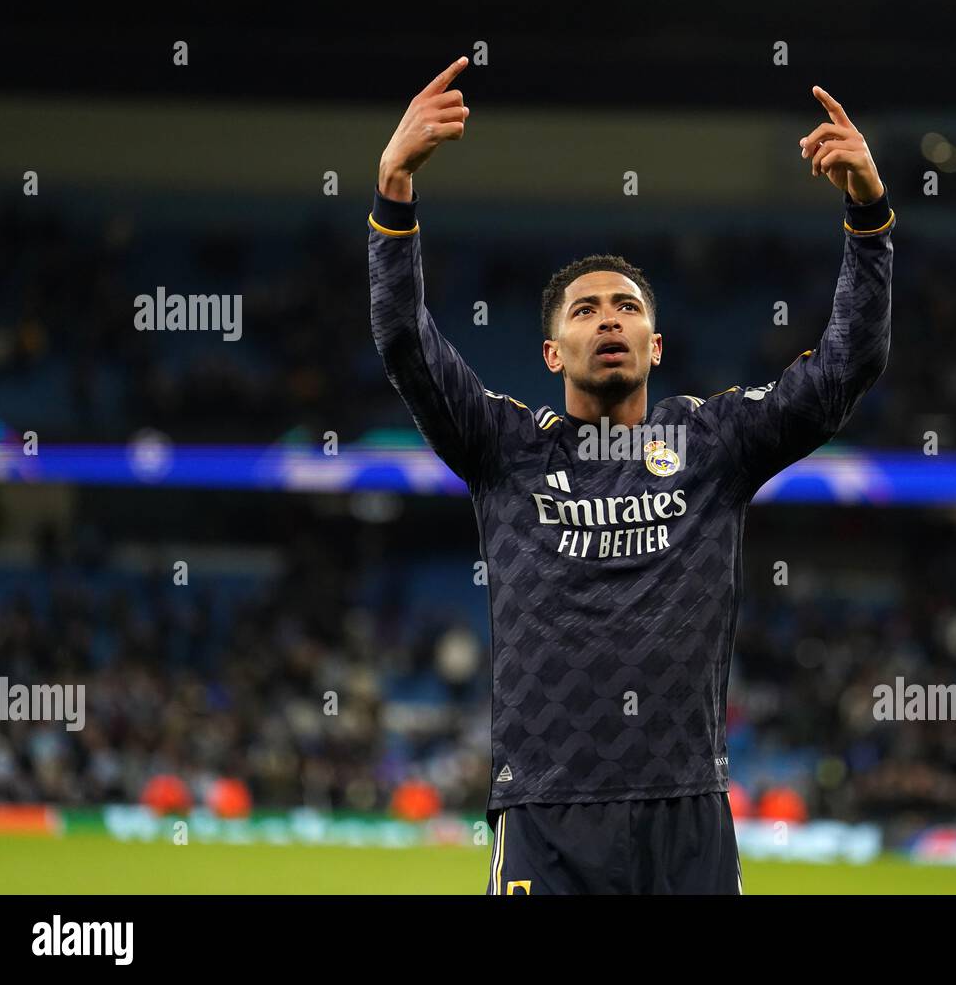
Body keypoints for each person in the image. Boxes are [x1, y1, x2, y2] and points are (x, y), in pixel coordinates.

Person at [368, 55, 894, 894]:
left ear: (655, 346)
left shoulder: (713, 443)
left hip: (686, 813)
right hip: (547, 814)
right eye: (585, 310)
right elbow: (405, 342)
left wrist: (869, 218)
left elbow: (845, 369)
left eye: (627, 309)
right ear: (552, 353)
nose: (607, 319)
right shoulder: (505, 448)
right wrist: (393, 189)